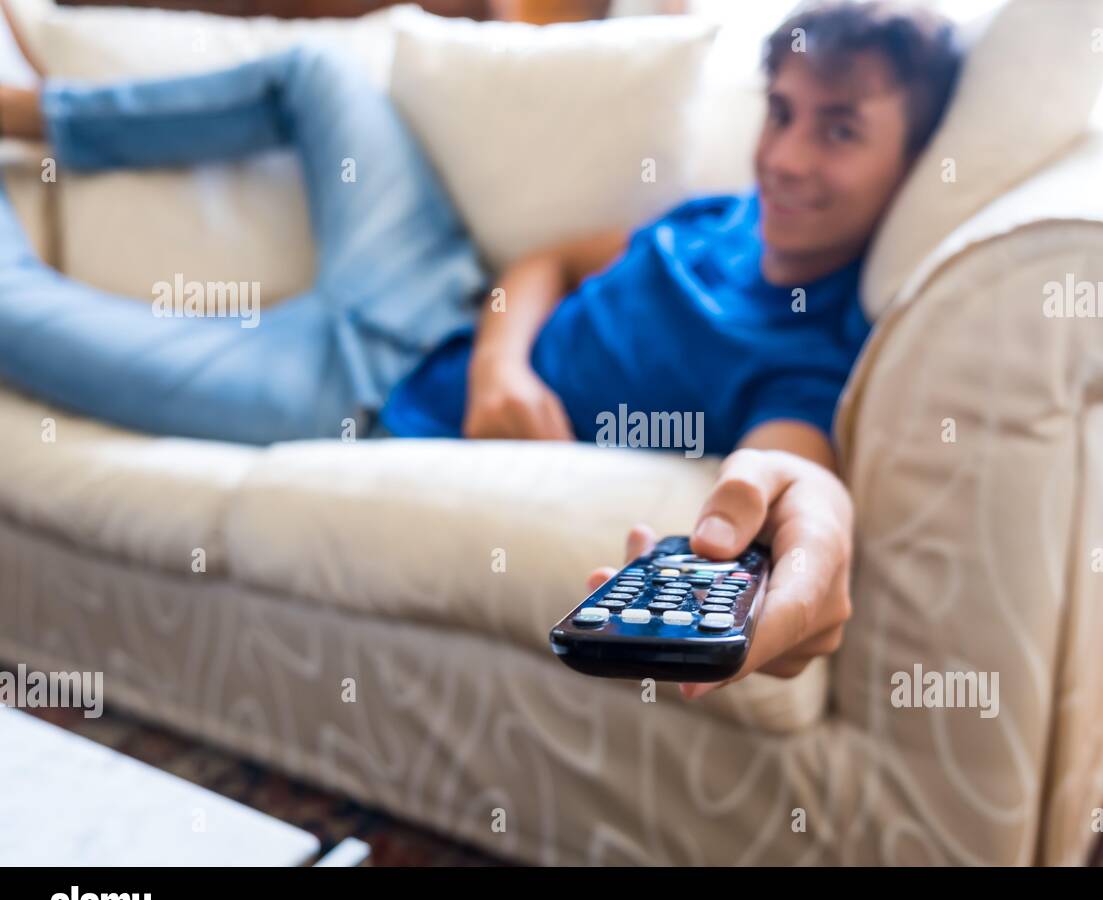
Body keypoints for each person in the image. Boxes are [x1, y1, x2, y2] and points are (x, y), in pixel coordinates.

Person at [0, 1, 960, 697]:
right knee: (316, 73)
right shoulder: (724, 218)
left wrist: (812, 533)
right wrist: (503, 361)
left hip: (346, 399)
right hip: (430, 290)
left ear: (912, 166)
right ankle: (27, 111)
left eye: (839, 131)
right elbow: (545, 262)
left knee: (11, 312)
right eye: (782, 112)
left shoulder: (816, 352)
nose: (787, 157)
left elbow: (792, 474)